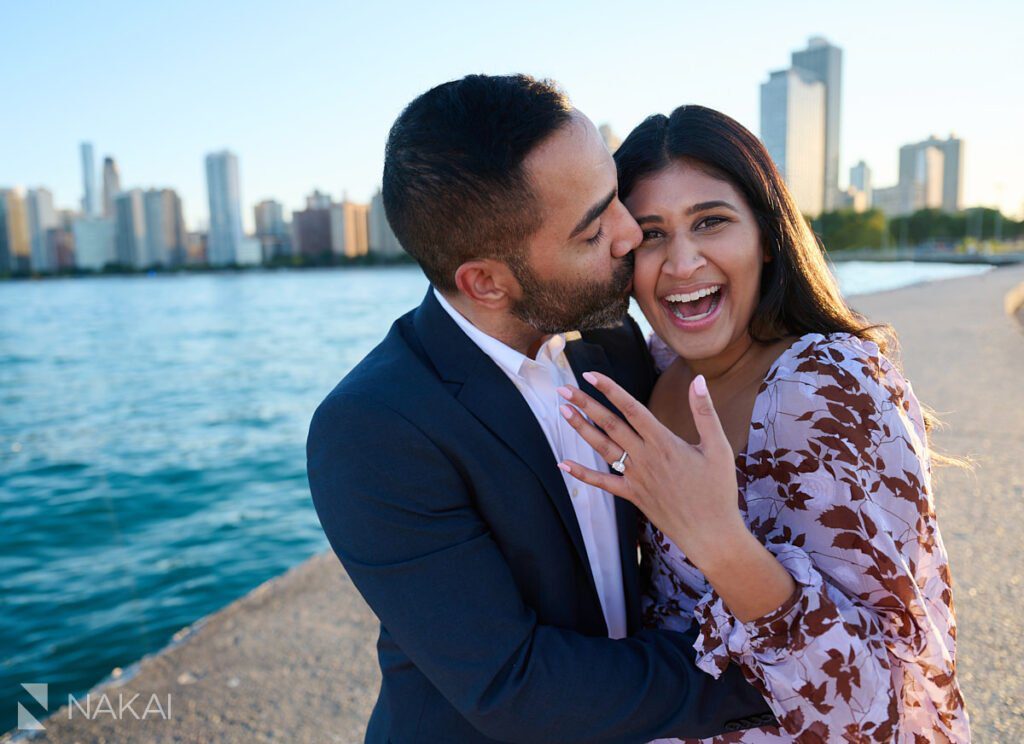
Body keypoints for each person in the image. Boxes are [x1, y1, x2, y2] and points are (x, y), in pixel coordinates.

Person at [306, 77, 776, 743]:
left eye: (614, 196)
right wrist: (785, 666)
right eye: (593, 231)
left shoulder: (608, 342)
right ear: (487, 282)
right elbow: (515, 684)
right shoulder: (373, 430)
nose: (628, 234)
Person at [555, 105, 970, 742]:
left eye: (711, 222)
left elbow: (879, 699)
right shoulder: (659, 365)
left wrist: (720, 542)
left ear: (767, 236)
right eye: (652, 233)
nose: (683, 262)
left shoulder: (826, 386)